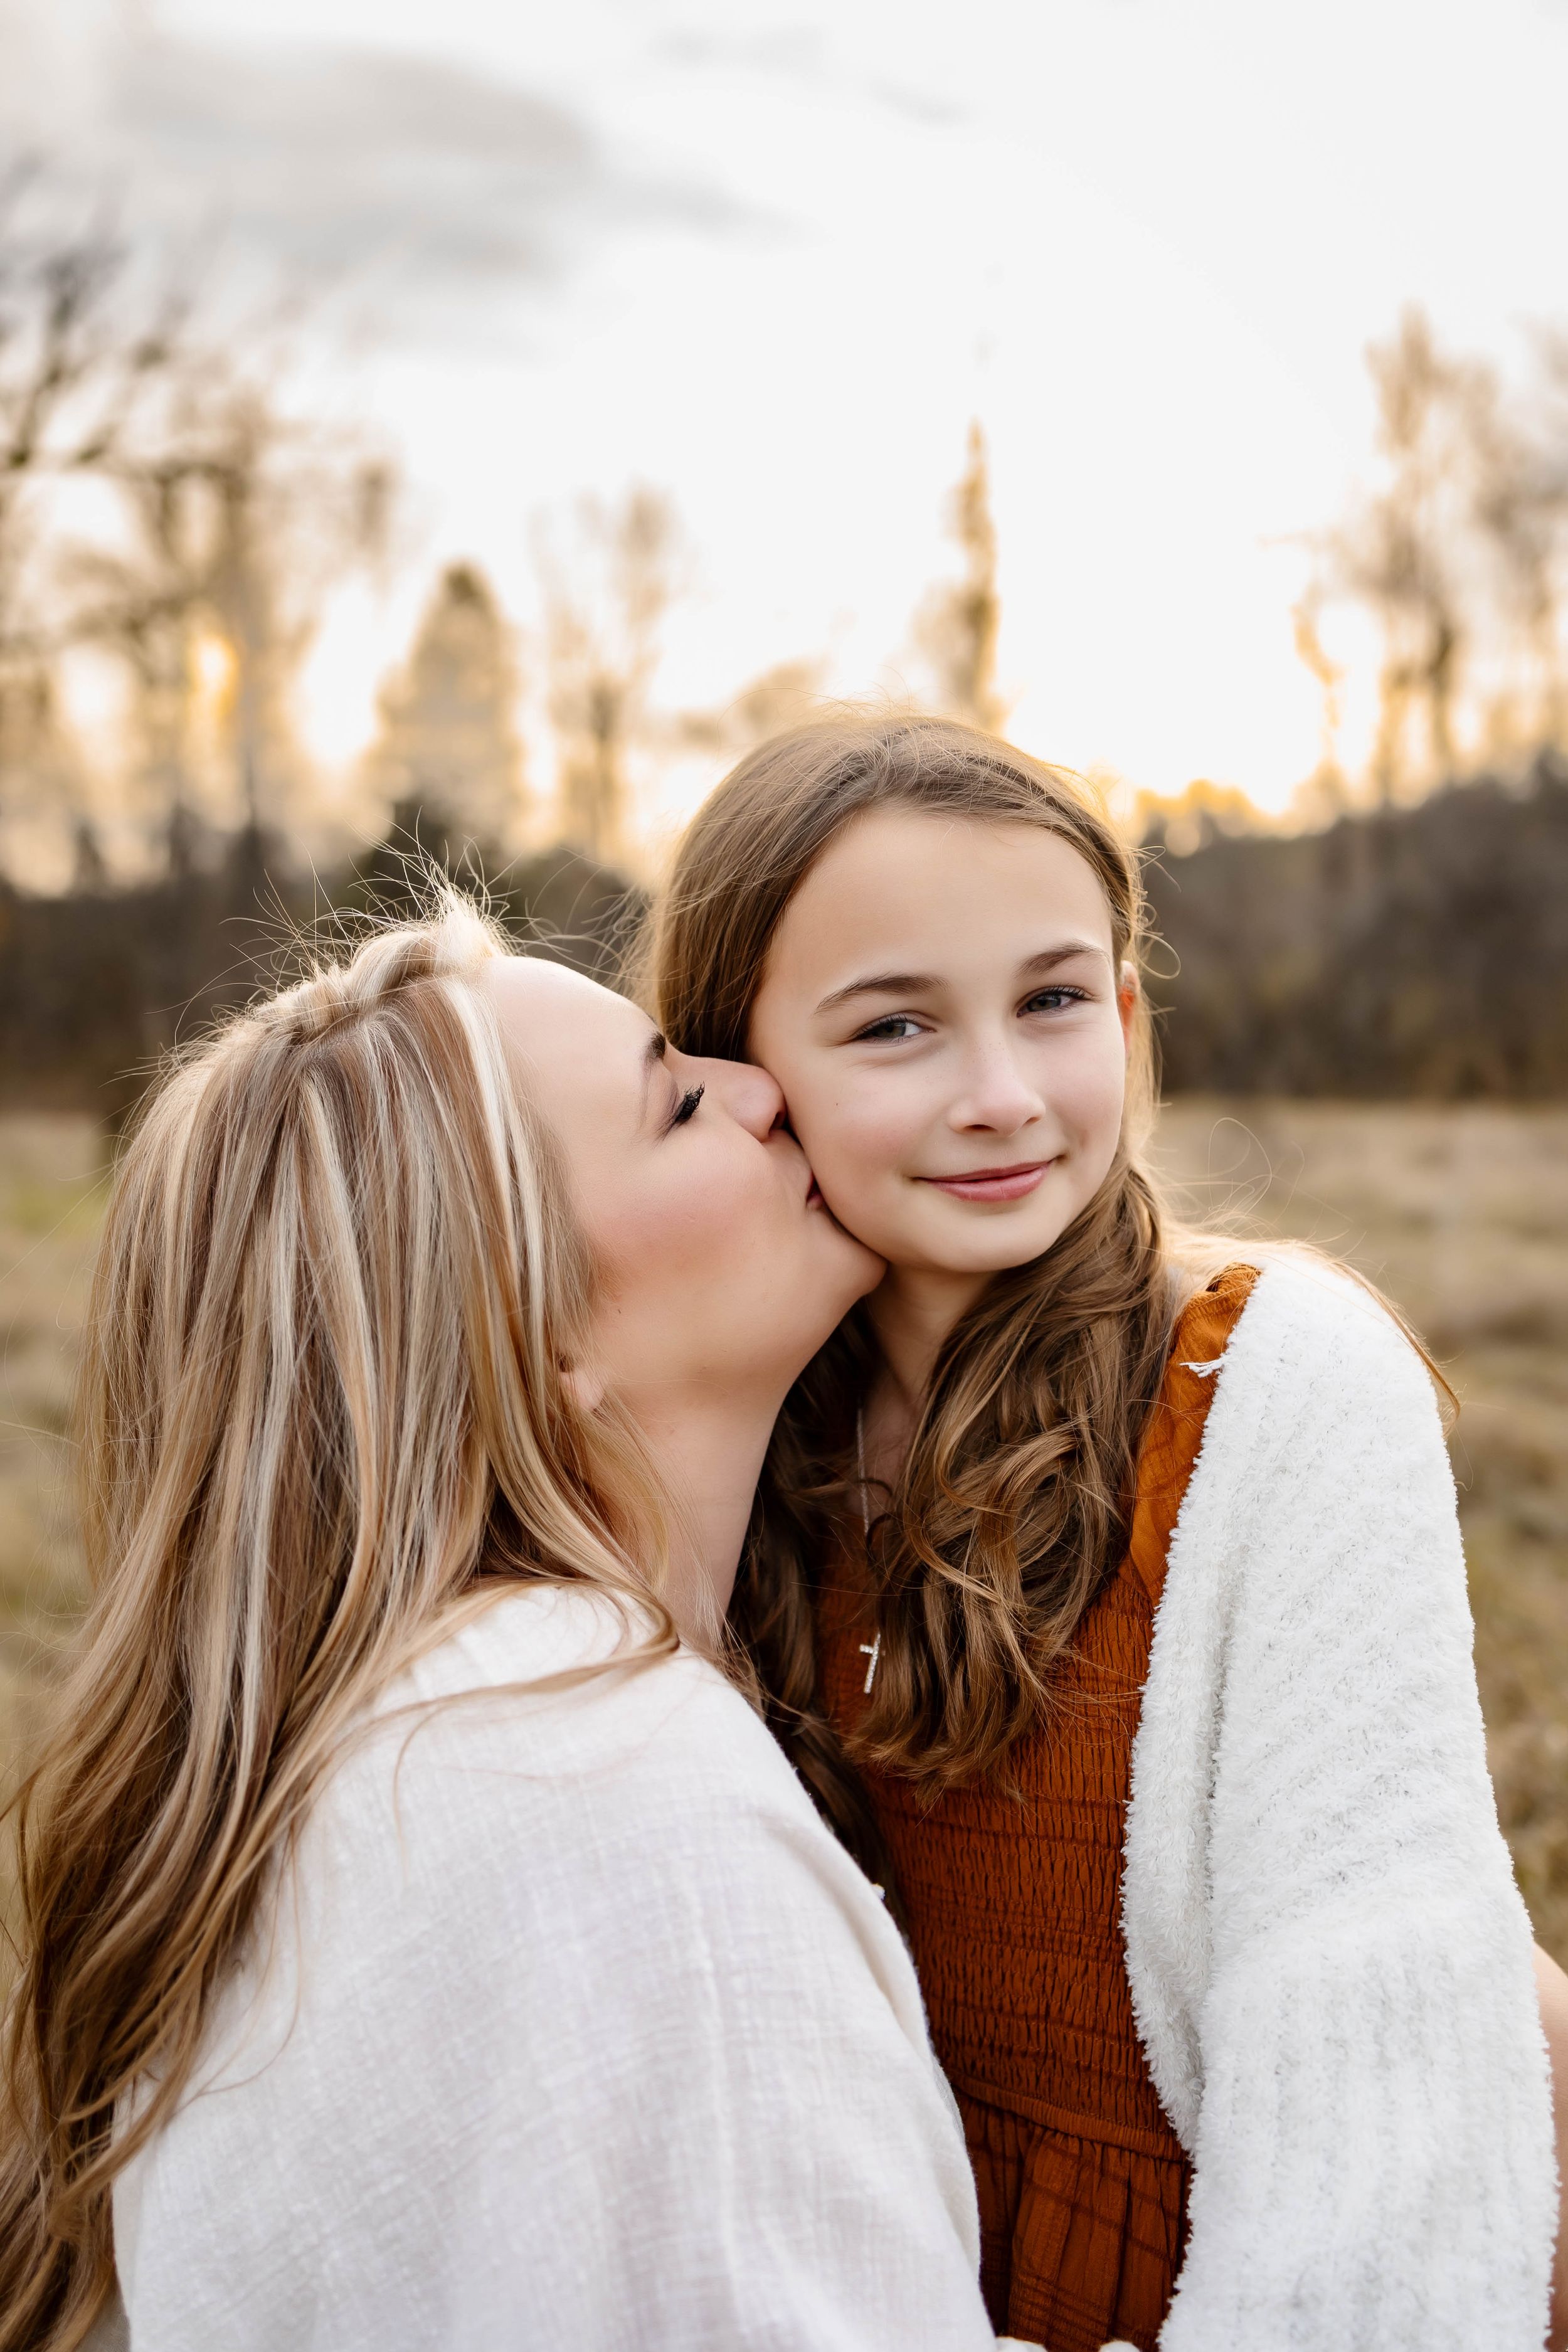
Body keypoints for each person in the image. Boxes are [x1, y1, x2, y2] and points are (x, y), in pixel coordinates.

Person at [0, 898, 1032, 2352]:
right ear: (539, 1328)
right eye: (678, 1103)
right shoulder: (597, 1795)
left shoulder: (407, 1748)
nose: (759, 1091)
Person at [652, 711, 1562, 2352]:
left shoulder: (1267, 1381)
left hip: (1236, 2251)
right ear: (737, 1074)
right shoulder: (725, 1418)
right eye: (894, 1026)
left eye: (1053, 999)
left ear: (1128, 1014)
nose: (1001, 1095)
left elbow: (1366, 2011)